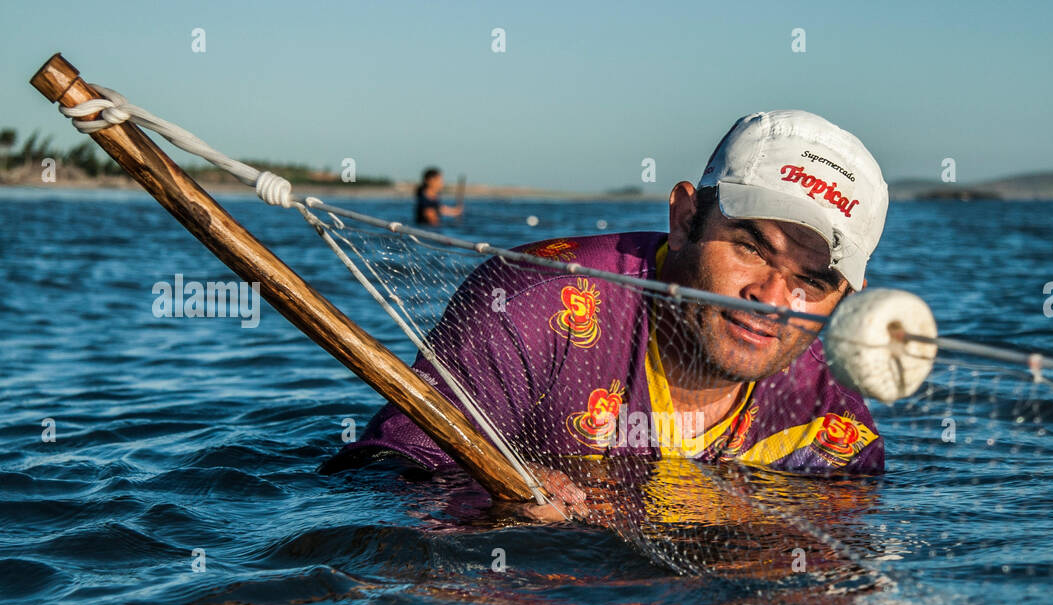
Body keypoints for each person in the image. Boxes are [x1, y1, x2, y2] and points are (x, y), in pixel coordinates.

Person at [330, 110, 889, 519]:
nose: (771, 297)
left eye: (812, 281)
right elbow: (373, 491)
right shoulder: (537, 299)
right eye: (750, 248)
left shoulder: (832, 420)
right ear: (685, 217)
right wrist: (482, 501)